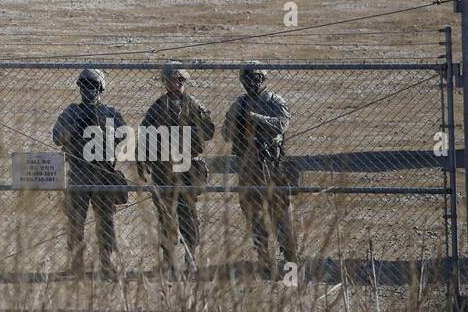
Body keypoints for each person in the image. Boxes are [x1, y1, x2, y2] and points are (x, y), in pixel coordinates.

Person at [137, 61, 214, 275]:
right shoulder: (158, 107)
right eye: (171, 80)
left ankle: (192, 258)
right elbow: (144, 135)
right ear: (165, 83)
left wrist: (188, 133)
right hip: (164, 169)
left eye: (180, 80)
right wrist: (142, 161)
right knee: (166, 215)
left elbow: (209, 132)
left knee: (188, 213)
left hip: (188, 167)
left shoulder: (194, 105)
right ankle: (169, 261)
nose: (176, 84)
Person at [51, 68, 129, 278]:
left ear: (100, 87)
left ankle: (107, 264)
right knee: (75, 222)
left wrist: (105, 137)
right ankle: (76, 266)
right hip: (78, 172)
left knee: (106, 221)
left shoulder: (111, 113)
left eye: (93, 84)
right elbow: (57, 137)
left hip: (103, 173)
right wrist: (74, 130)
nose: (88, 89)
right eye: (84, 84)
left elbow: (125, 136)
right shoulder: (72, 112)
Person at [223, 63, 297, 278]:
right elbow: (225, 134)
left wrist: (255, 118)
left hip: (272, 167)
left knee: (281, 218)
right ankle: (265, 263)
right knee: (254, 218)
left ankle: (291, 264)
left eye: (255, 78)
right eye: (247, 79)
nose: (251, 83)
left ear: (263, 79)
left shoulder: (274, 101)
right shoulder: (239, 103)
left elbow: (281, 124)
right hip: (248, 168)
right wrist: (237, 124)